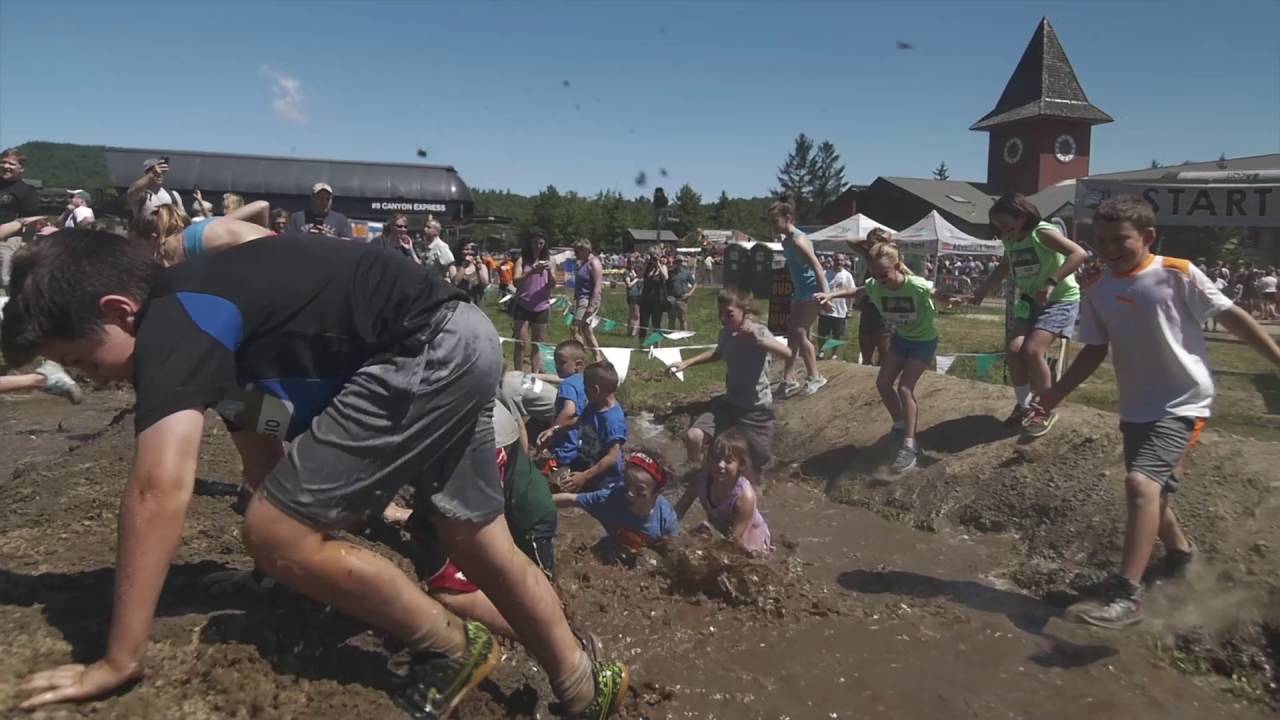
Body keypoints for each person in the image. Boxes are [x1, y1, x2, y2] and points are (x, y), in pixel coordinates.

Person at [3, 229, 626, 717]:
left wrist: (119, 659)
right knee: (476, 538)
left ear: (121, 309)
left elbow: (156, 489)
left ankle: (449, 648)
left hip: (421, 348)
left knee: (273, 529)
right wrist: (273, 569)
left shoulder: (171, 318)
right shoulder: (210, 312)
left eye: (82, 359)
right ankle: (580, 683)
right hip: (456, 341)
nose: (91, 379)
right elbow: (260, 436)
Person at [1036, 196, 1280, 629]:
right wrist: (1055, 393)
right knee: (1153, 494)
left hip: (1185, 400)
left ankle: (1127, 594)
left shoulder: (1176, 273)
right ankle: (1183, 556)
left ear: (1148, 237)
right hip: (1136, 406)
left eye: (1121, 240)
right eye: (1101, 240)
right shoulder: (1097, 288)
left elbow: (1232, 316)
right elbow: (1094, 350)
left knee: (1140, 483)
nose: (1110, 248)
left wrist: (1276, 358)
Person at [382, 399, 558, 641]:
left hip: (530, 519)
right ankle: (558, 639)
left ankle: (551, 639)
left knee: (458, 584)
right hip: (490, 458)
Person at [816, 242, 956, 473]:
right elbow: (858, 291)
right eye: (875, 275)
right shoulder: (875, 285)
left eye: (884, 275)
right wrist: (830, 294)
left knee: (904, 388)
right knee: (882, 383)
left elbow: (937, 293)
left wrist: (949, 298)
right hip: (901, 339)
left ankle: (910, 446)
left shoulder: (916, 286)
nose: (880, 280)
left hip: (923, 342)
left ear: (898, 267)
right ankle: (900, 425)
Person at [971, 193, 1087, 437]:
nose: (1003, 231)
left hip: (1059, 300)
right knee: (1014, 350)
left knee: (1033, 350)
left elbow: (1078, 254)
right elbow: (1005, 265)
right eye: (999, 227)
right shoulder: (1010, 240)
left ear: (1022, 216)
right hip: (1030, 301)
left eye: (1006, 225)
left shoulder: (1042, 233)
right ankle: (1024, 406)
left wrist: (1051, 282)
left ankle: (1044, 408)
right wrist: (982, 289)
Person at [670, 287, 791, 477]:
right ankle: (699, 477)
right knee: (693, 437)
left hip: (755, 409)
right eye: (721, 314)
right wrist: (686, 363)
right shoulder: (725, 333)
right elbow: (718, 354)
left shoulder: (759, 331)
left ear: (745, 312)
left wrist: (758, 340)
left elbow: (787, 353)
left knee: (761, 470)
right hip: (729, 404)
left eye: (729, 314)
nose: (724, 319)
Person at [553, 448, 678, 562]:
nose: (630, 493)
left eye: (640, 492)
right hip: (610, 549)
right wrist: (540, 503)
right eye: (627, 484)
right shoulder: (611, 499)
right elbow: (571, 499)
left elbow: (672, 554)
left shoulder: (665, 518)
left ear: (657, 492)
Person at [673, 430, 772, 553]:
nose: (720, 465)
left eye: (728, 461)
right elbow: (678, 511)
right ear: (708, 459)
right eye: (716, 458)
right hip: (722, 527)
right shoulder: (700, 481)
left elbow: (734, 540)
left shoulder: (745, 497)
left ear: (741, 465)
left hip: (749, 536)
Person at [771, 193, 829, 397]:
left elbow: (818, 267)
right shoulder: (786, 241)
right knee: (792, 336)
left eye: (775, 221)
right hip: (800, 291)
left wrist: (825, 295)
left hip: (812, 291)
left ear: (787, 218)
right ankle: (788, 379)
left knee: (801, 333)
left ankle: (815, 376)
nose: (773, 226)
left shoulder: (799, 240)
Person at [538, 361, 627, 494]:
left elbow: (611, 457)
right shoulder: (594, 405)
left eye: (585, 387)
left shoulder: (613, 421)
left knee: (591, 502)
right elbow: (578, 421)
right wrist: (554, 429)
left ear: (595, 390)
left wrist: (585, 476)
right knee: (551, 475)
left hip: (604, 478)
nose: (584, 391)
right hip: (585, 461)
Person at [130, 203, 271, 267]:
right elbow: (262, 205)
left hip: (275, 261)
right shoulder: (202, 227)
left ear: (153, 238)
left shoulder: (178, 253)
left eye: (138, 246)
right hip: (280, 247)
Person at [540, 340, 589, 479]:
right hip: (579, 445)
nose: (556, 366)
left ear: (578, 365)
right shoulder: (585, 381)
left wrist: (552, 430)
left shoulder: (567, 384)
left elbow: (569, 410)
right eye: (555, 362)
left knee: (550, 475)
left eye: (561, 362)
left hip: (563, 447)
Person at [512, 228, 555, 373]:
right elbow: (516, 282)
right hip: (523, 305)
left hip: (541, 306)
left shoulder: (550, 260)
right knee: (521, 343)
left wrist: (549, 270)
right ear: (530, 243)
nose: (538, 246)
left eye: (541, 243)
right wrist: (531, 272)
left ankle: (535, 375)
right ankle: (518, 372)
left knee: (538, 344)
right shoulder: (522, 259)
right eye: (535, 242)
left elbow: (552, 285)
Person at [1, 149, 44, 290]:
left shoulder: (26, 192)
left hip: (7, 243)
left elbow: (32, 221)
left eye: (12, 164)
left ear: (21, 169)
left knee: (7, 283)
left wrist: (25, 246)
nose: (6, 166)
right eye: (3, 162)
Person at [571, 239, 604, 358]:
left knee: (575, 328)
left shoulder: (594, 262)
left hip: (588, 299)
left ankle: (581, 356)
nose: (575, 254)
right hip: (581, 298)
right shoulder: (582, 263)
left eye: (577, 251)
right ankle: (597, 356)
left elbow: (598, 284)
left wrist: (592, 304)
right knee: (586, 329)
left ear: (585, 250)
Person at [817, 254, 854, 359]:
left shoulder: (847, 276)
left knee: (837, 334)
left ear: (844, 262)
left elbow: (852, 293)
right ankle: (821, 351)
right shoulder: (825, 273)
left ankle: (834, 354)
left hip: (840, 310)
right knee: (823, 333)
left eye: (841, 260)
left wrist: (850, 309)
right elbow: (819, 289)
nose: (839, 262)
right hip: (825, 309)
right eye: (837, 260)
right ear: (833, 261)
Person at [284, 183, 352, 239]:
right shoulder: (297, 218)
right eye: (320, 198)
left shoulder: (340, 220)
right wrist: (306, 236)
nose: (324, 202)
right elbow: (288, 242)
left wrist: (328, 237)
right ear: (312, 198)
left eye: (328, 199)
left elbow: (347, 243)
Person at [637, 248, 667, 340]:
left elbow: (665, 277)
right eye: (652, 257)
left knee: (656, 323)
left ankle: (656, 345)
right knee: (643, 322)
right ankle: (641, 345)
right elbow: (641, 276)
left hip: (657, 299)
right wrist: (650, 265)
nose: (654, 259)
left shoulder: (663, 267)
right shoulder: (647, 266)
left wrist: (658, 265)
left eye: (656, 256)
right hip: (646, 298)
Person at [664, 255, 697, 332]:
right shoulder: (670, 273)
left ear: (682, 263)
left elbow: (694, 284)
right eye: (677, 262)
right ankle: (671, 334)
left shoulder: (686, 273)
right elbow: (665, 285)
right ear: (675, 263)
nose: (679, 264)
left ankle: (684, 335)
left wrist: (689, 293)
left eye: (680, 262)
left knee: (682, 319)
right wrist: (666, 295)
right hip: (671, 299)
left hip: (682, 298)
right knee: (671, 318)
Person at [624, 256, 642, 337]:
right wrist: (636, 279)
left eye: (634, 263)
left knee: (637, 314)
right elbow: (629, 284)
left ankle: (635, 331)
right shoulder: (626, 272)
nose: (632, 264)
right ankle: (631, 332)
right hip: (632, 295)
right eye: (630, 262)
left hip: (638, 294)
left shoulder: (634, 271)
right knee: (633, 314)